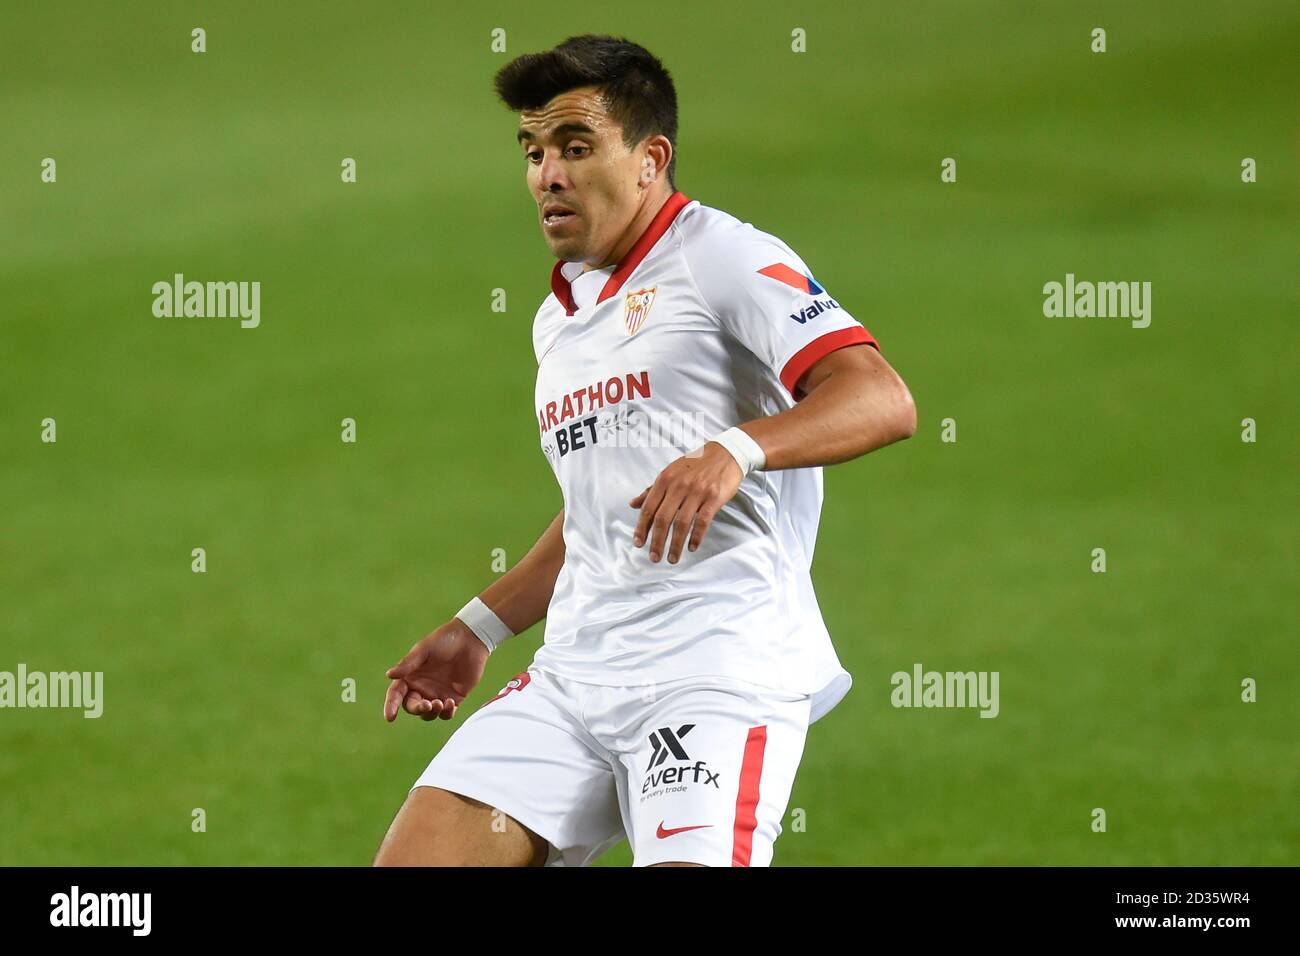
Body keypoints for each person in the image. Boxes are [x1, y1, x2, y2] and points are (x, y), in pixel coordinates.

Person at [375, 34, 915, 867]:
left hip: (715, 672)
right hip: (576, 676)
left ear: (649, 158)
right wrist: (481, 626)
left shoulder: (724, 258)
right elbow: (604, 511)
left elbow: (881, 397)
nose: (547, 175)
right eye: (533, 150)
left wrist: (736, 449)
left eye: (576, 147)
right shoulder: (561, 315)